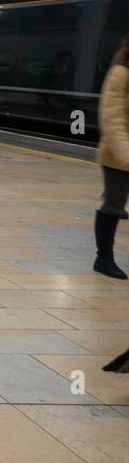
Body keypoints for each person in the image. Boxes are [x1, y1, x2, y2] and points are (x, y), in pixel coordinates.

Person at [94, 33, 129, 279]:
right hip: (117, 154)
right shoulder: (121, 72)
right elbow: (112, 118)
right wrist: (126, 155)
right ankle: (103, 258)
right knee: (114, 205)